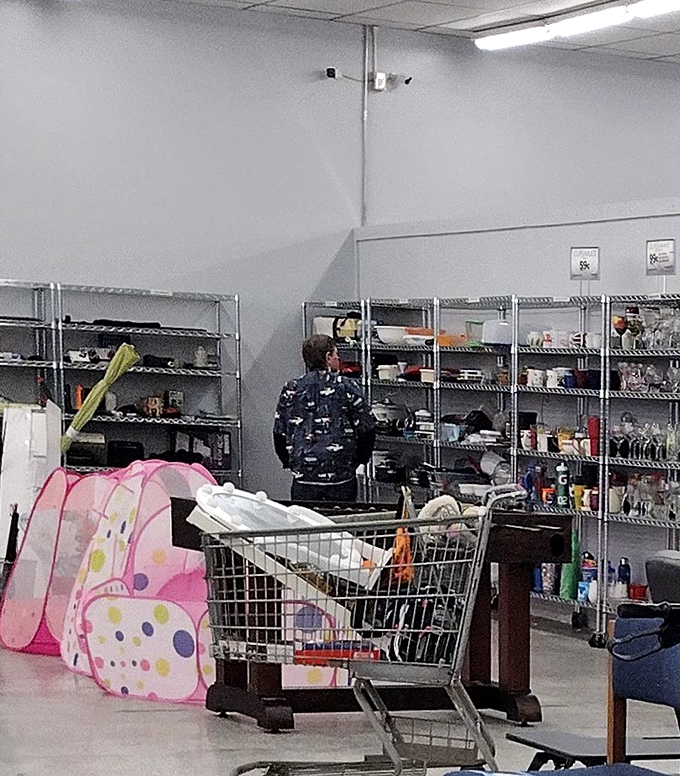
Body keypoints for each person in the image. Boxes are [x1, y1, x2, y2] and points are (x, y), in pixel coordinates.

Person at [273, 334, 375, 503]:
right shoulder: (346, 386)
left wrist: (289, 461)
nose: (338, 359)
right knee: (341, 519)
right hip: (341, 477)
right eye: (336, 355)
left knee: (305, 519)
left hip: (304, 478)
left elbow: (279, 433)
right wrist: (359, 460)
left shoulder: (291, 389)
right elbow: (367, 429)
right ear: (328, 357)